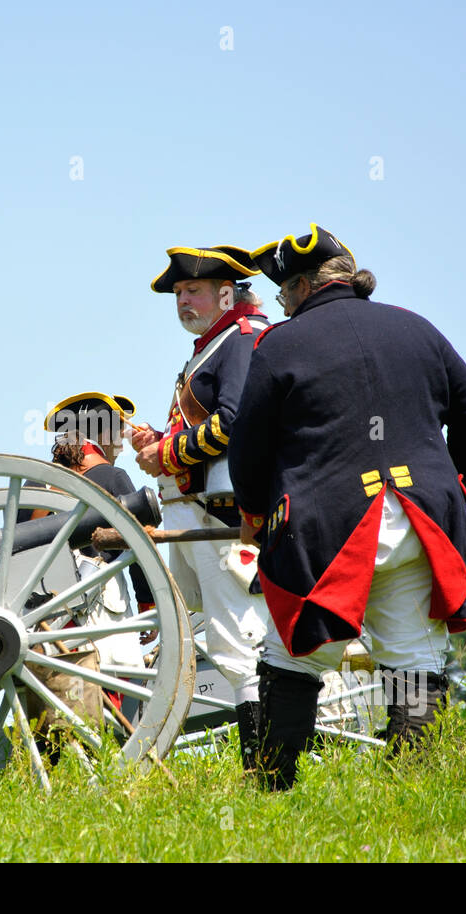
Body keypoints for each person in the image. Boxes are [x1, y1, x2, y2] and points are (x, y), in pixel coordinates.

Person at [230, 224, 466, 789]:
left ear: (302, 286)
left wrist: (254, 517)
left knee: (295, 658)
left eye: (283, 293)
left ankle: (271, 790)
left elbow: (248, 451)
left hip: (325, 530)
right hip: (422, 524)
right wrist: (455, 488)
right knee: (413, 662)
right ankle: (412, 794)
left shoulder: (278, 345)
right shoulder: (417, 329)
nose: (281, 304)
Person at [128, 246, 345, 771]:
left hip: (222, 515)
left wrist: (169, 452)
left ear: (226, 293)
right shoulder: (216, 344)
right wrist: (162, 442)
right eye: (178, 294)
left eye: (192, 291)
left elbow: (234, 423)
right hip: (195, 510)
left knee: (237, 647)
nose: (183, 301)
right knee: (215, 640)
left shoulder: (242, 341)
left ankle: (263, 772)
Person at [43, 392, 153, 672]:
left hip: (48, 616)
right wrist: (148, 602)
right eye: (118, 428)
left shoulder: (37, 483)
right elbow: (139, 547)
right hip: (101, 606)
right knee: (117, 687)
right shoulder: (112, 477)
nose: (121, 441)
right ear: (102, 432)